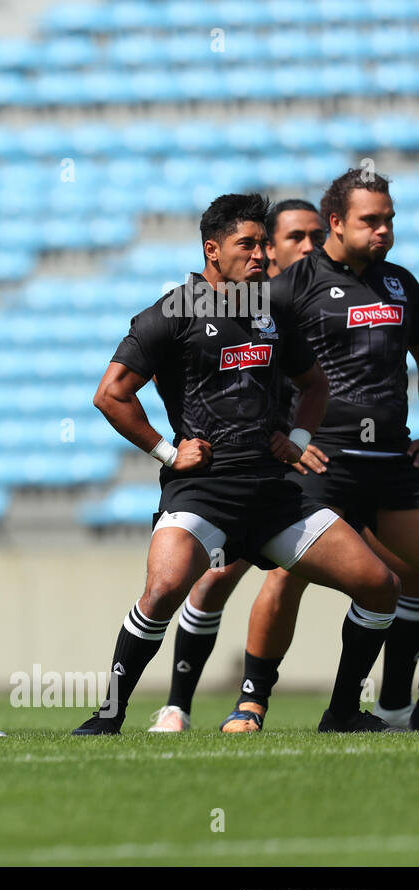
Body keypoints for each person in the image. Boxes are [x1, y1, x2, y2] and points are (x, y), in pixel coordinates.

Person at [75, 192, 400, 736]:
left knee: (380, 584)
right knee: (162, 591)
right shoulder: (170, 313)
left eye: (261, 244)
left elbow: (313, 383)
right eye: (245, 245)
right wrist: (166, 450)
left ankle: (343, 714)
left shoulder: (273, 311)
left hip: (275, 494)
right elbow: (110, 394)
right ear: (211, 250)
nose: (259, 255)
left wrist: (296, 436)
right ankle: (109, 716)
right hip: (203, 491)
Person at [217, 170, 419, 733]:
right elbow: (236, 361)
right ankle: (251, 704)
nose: (384, 231)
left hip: (390, 463)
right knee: (285, 577)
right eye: (370, 221)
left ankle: (356, 708)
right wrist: (279, 438)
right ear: (336, 223)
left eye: (390, 220)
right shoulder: (291, 286)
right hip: (321, 461)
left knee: (408, 579)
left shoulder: (402, 284)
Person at [146, 198, 326, 732]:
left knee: (381, 576)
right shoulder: (236, 300)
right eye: (294, 237)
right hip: (261, 462)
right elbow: (173, 367)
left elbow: (327, 380)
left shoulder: (323, 296)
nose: (303, 248)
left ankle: (356, 705)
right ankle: (184, 703)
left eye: (314, 237)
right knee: (215, 579)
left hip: (322, 450)